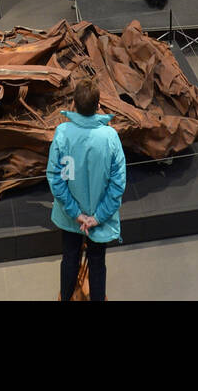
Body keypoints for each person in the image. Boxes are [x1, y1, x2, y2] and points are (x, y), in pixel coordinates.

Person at [46, 77, 126, 304]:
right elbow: (117, 184)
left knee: (70, 258)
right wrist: (97, 217)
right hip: (100, 218)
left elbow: (56, 179)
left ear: (73, 104)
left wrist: (76, 214)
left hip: (72, 219)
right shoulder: (110, 137)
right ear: (98, 105)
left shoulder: (62, 134)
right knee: (97, 261)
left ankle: (67, 297)